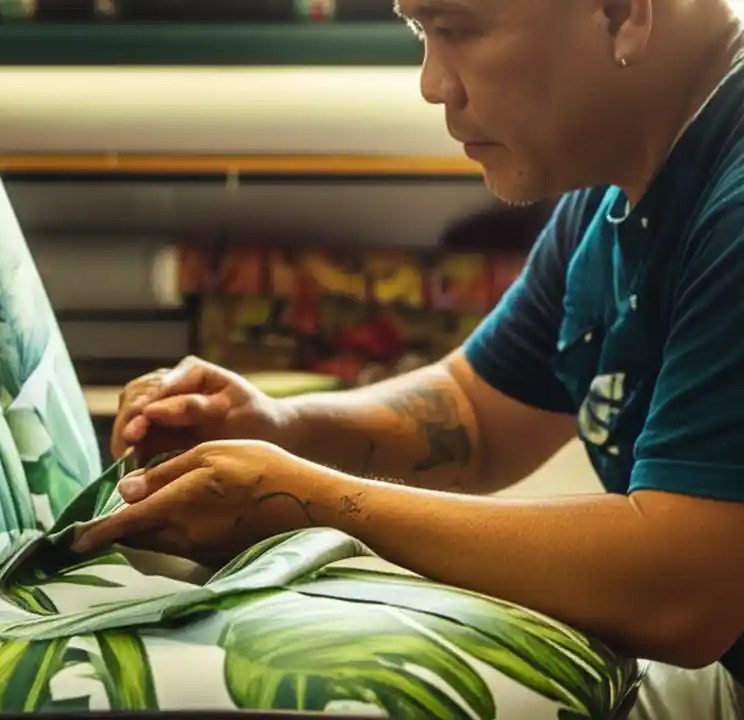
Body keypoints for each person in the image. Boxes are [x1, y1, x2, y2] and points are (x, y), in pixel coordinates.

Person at [72, 0, 744, 717]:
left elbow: (685, 588)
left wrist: (300, 500)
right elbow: (475, 412)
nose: (432, 84)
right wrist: (275, 427)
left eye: (456, 29)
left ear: (621, 14)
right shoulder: (623, 181)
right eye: (420, 33)